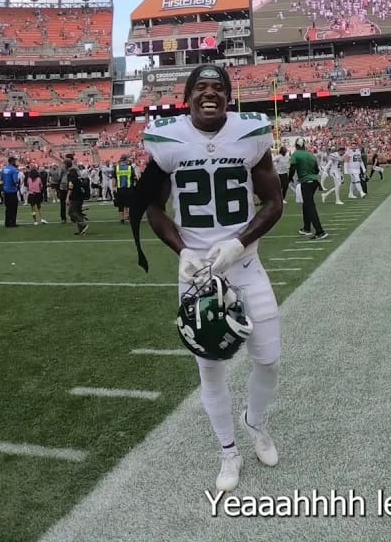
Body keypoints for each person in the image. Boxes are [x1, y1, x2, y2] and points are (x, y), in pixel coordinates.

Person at [137, 63, 285, 493]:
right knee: (211, 370)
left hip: (245, 264)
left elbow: (274, 202)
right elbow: (152, 208)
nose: (209, 93)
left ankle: (255, 421)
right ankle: (228, 451)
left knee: (269, 360)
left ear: (228, 96)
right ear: (187, 97)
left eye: (218, 87)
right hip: (198, 273)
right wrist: (182, 250)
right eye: (200, 87)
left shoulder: (251, 132)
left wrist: (239, 243)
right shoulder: (166, 138)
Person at [290, 138, 327, 239]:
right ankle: (306, 228)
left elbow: (292, 167)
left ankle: (320, 231)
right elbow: (316, 170)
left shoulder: (296, 154)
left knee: (310, 206)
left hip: (306, 182)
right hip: (314, 181)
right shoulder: (311, 155)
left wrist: (289, 178)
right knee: (306, 204)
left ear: (296, 145)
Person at [67, 158, 90, 236]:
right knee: (78, 212)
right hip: (80, 195)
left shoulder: (70, 174)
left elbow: (71, 186)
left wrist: (67, 197)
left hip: (75, 196)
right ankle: (81, 230)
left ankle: (83, 225)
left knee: (71, 212)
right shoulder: (76, 172)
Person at [1, 156, 20, 228]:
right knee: (13, 207)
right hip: (12, 190)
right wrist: (17, 185)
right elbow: (15, 181)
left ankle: (7, 222)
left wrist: (2, 189)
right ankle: (13, 222)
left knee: (8, 208)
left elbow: (1, 180)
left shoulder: (4, 169)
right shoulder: (14, 170)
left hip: (5, 190)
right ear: (12, 161)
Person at [115, 154, 134, 224]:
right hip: (129, 188)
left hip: (120, 188)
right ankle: (128, 216)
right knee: (129, 204)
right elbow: (134, 178)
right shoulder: (130, 168)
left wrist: (113, 188)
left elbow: (114, 179)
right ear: (126, 160)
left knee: (120, 205)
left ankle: (122, 219)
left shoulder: (116, 168)